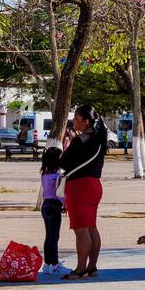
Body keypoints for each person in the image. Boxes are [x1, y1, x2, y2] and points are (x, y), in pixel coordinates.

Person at [60, 104, 107, 280]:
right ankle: (92, 267)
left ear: (85, 121)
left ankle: (80, 269)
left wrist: (71, 142)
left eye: (76, 118)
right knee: (92, 228)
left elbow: (64, 162)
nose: (73, 121)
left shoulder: (80, 141)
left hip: (80, 187)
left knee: (81, 231)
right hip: (94, 185)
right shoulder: (98, 140)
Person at [39, 147, 68, 275]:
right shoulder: (58, 175)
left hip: (45, 205)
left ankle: (47, 263)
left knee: (48, 235)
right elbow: (60, 193)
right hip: (54, 205)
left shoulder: (44, 174)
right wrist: (65, 204)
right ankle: (55, 264)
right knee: (55, 236)